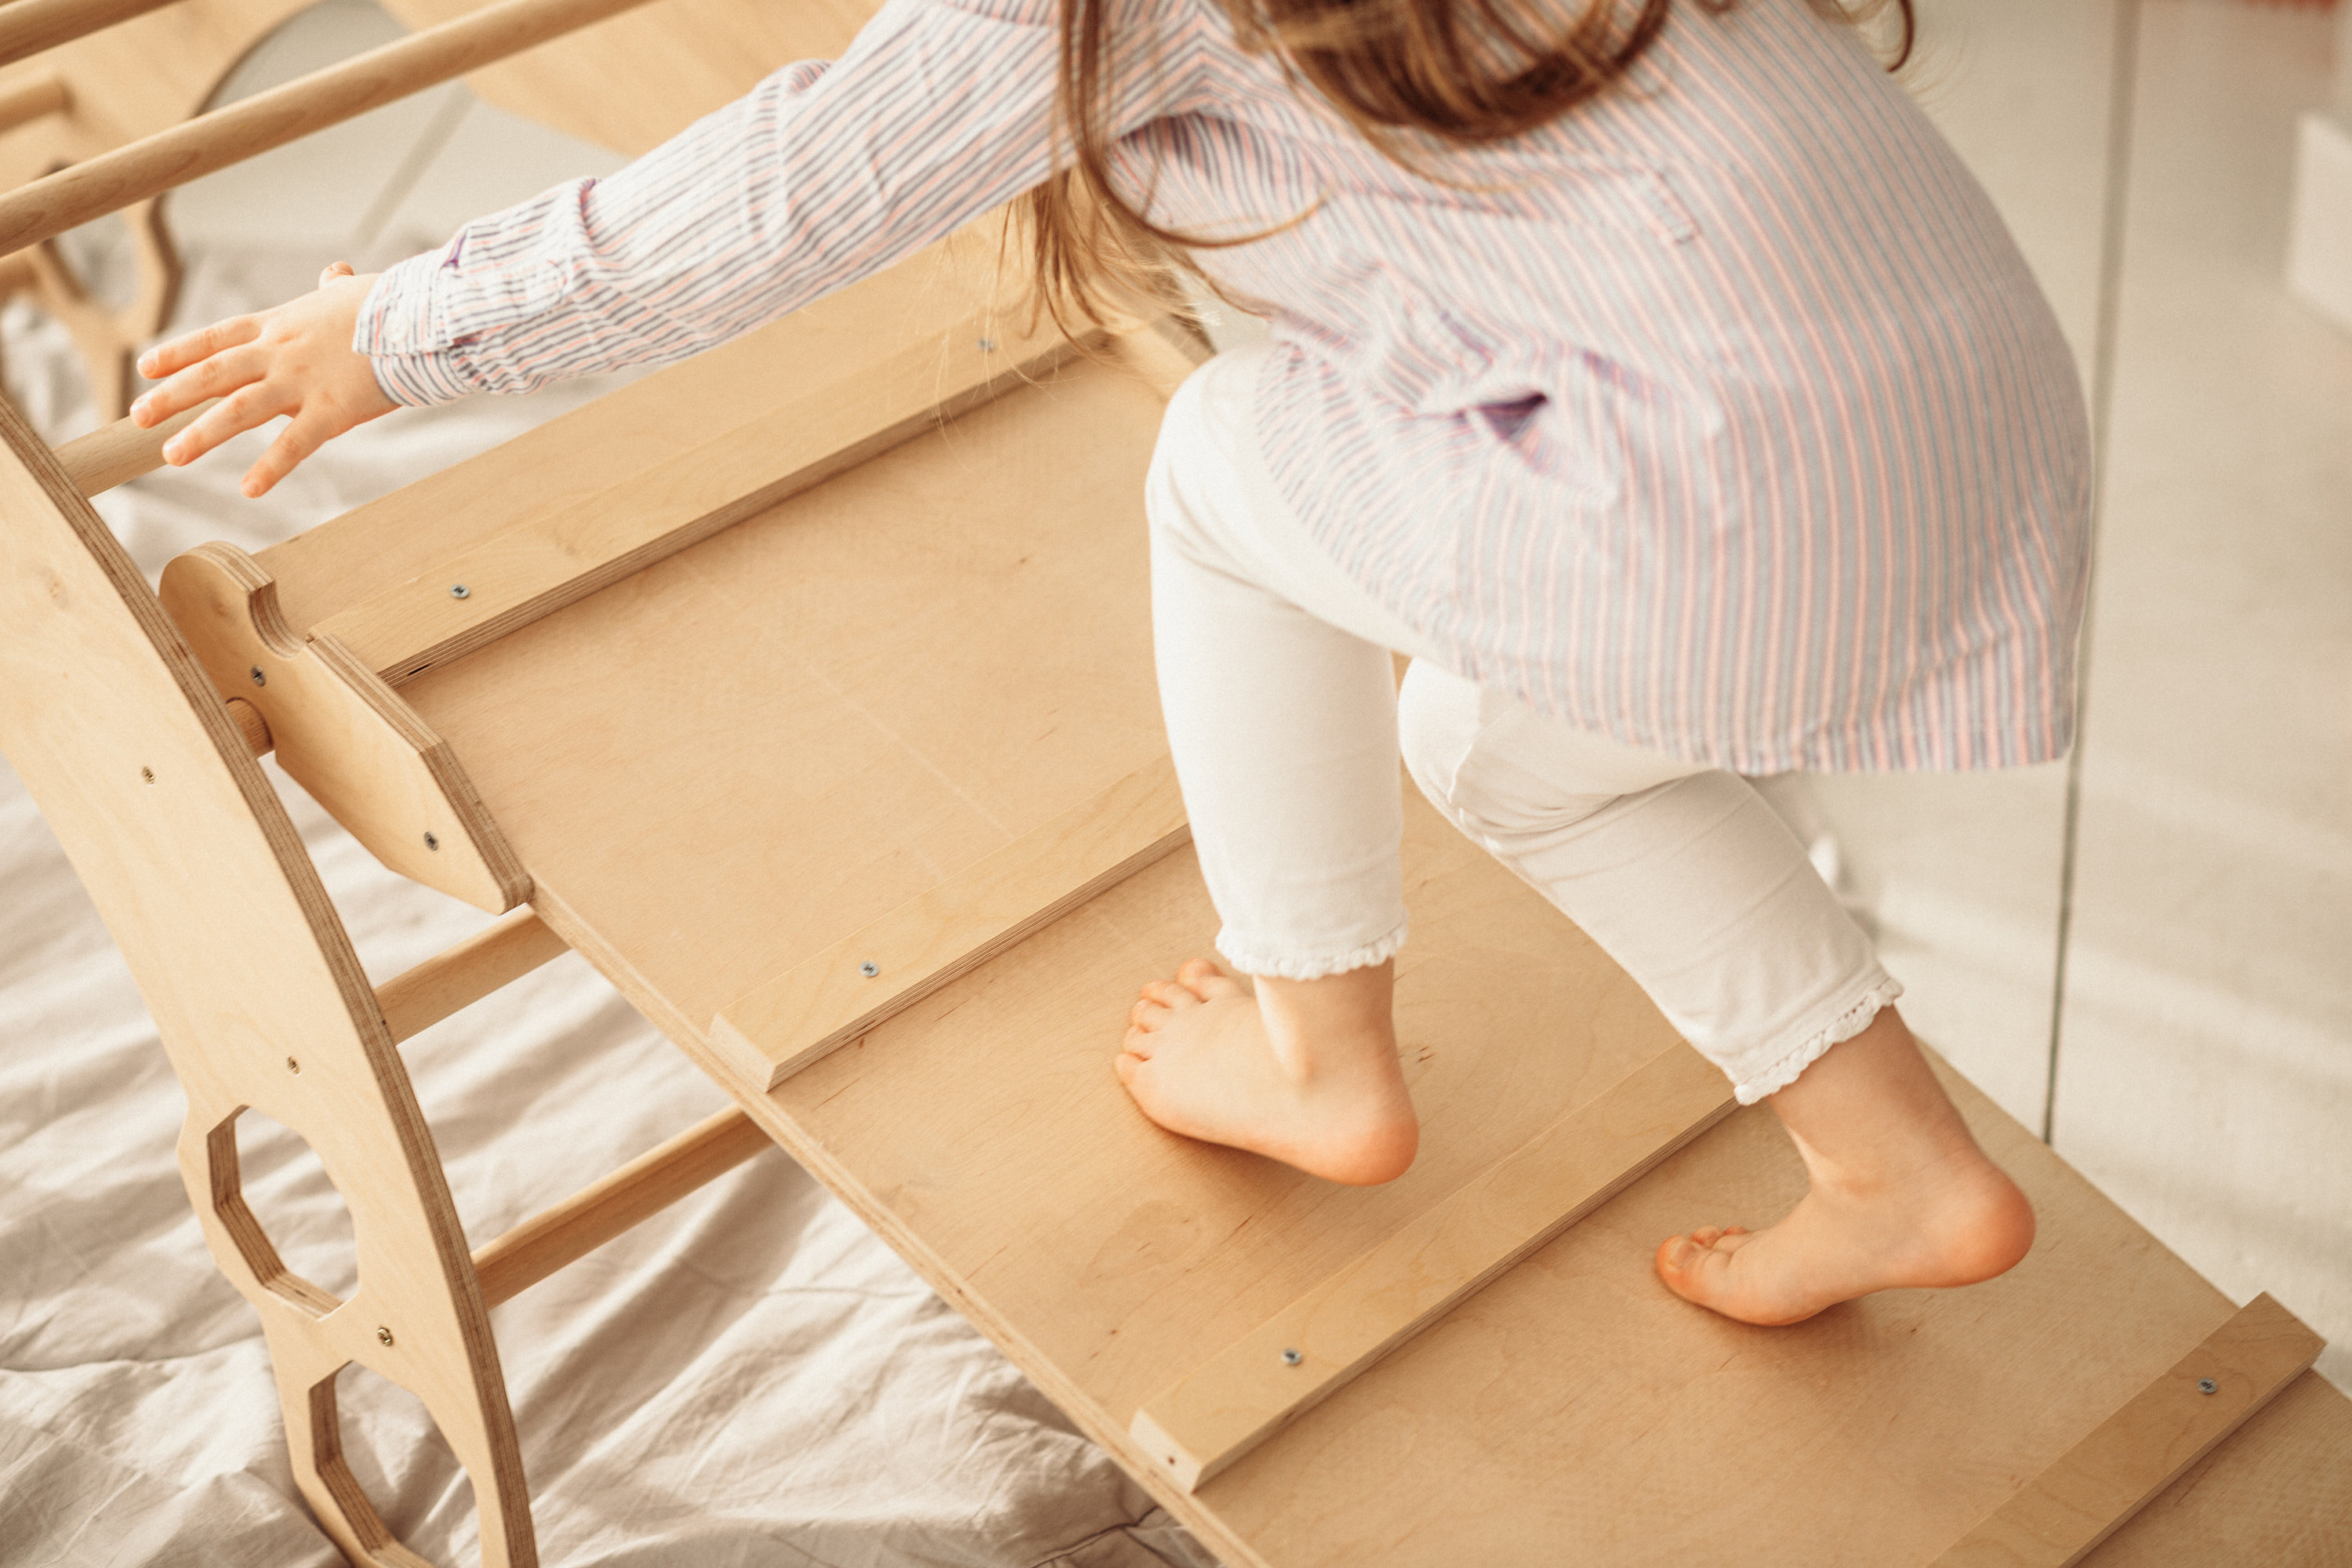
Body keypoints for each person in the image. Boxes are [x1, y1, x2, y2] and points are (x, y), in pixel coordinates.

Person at [130, 0, 2080, 1327]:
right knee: (1518, 749)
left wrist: (403, 328)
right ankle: (1904, 1172)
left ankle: (1319, 1048)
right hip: (1958, 434)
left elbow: (778, 202)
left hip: (1706, 497)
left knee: (1229, 465)